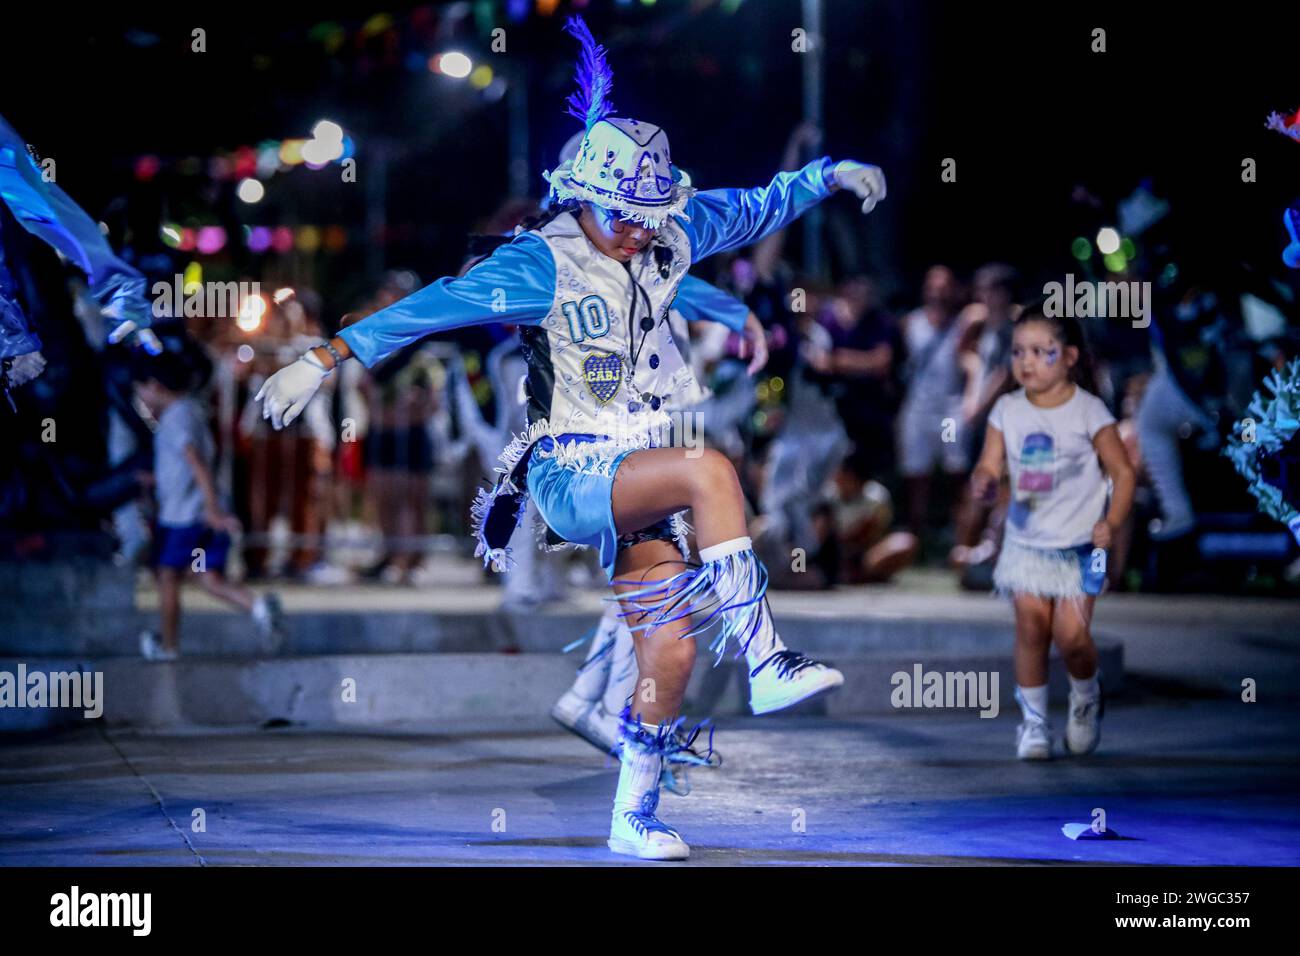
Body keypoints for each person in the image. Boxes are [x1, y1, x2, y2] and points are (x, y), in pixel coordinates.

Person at [255, 16, 886, 860]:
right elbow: (429, 306)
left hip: (639, 464)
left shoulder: (670, 231)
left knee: (668, 649)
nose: (637, 229)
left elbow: (757, 204)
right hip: (571, 469)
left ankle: (633, 817)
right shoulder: (537, 263)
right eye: (621, 213)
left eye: (647, 214)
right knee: (711, 470)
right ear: (581, 196)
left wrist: (828, 174)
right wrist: (323, 357)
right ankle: (768, 658)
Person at [969, 304, 1135, 760]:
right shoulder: (1007, 410)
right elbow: (989, 463)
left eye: (1042, 351)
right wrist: (984, 480)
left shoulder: (1089, 410)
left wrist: (1113, 521)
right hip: (1027, 545)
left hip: (1080, 546)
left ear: (1069, 357)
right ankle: (1034, 724)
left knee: (1073, 637)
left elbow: (1122, 472)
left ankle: (1085, 696)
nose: (1026, 361)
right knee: (1031, 628)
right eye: (1019, 351)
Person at [133, 351, 282, 660]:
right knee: (206, 576)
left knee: (167, 576)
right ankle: (257, 607)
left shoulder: (176, 418)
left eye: (141, 388)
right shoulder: (192, 411)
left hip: (183, 519)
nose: (140, 396)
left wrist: (212, 510)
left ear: (156, 385)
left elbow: (196, 463)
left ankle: (169, 647)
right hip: (198, 516)